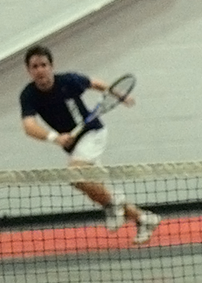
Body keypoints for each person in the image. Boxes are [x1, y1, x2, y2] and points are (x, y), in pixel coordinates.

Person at [20, 45, 161, 245]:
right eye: (35, 66)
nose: (40, 70)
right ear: (29, 70)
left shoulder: (68, 81)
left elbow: (95, 83)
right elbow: (28, 126)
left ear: (51, 66)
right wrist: (55, 138)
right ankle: (143, 219)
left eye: (44, 65)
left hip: (93, 133)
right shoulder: (29, 95)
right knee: (91, 188)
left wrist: (120, 95)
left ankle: (114, 204)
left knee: (75, 175)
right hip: (73, 145)